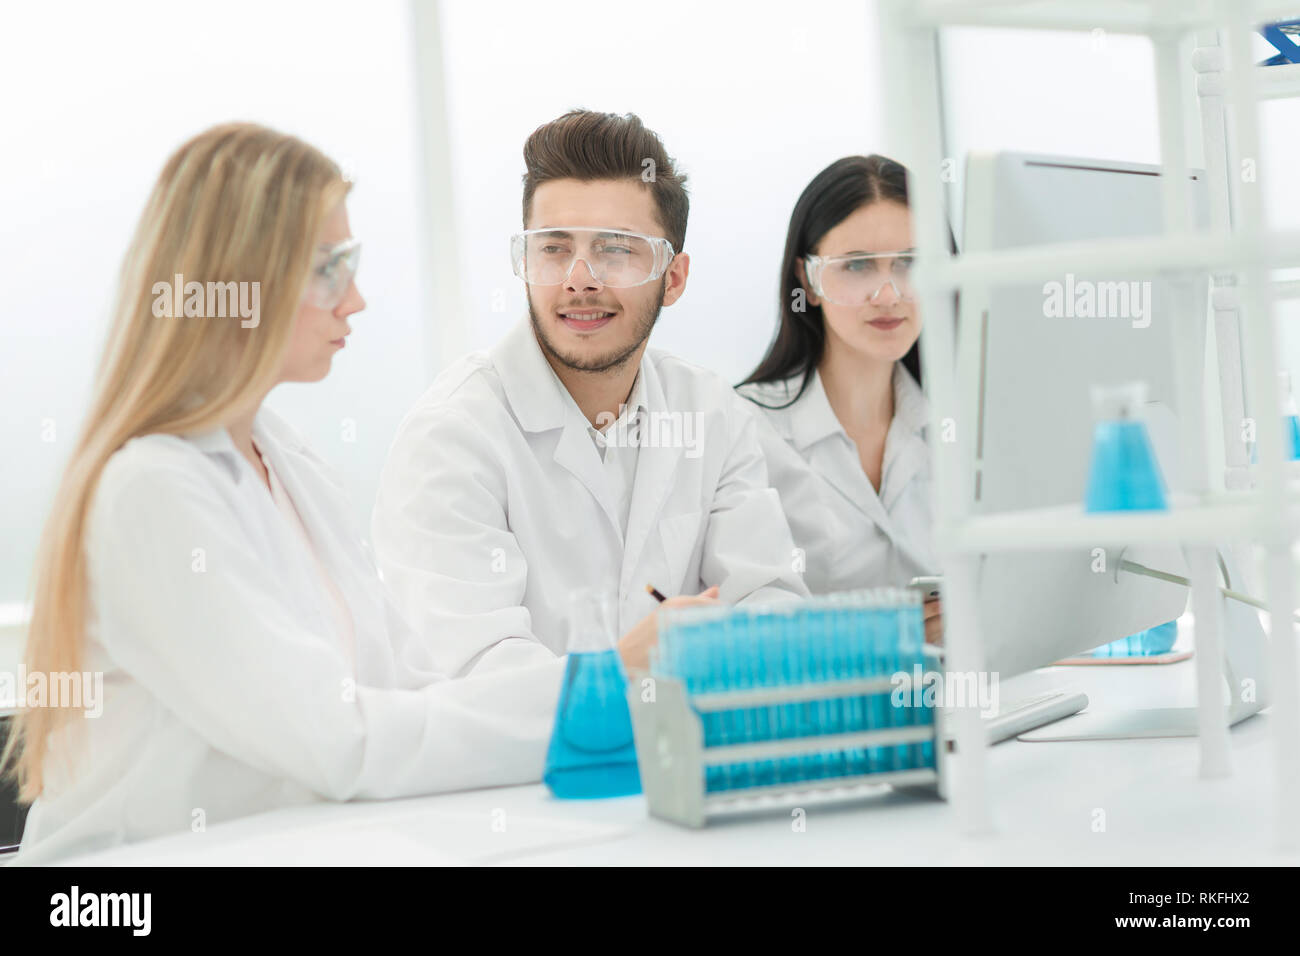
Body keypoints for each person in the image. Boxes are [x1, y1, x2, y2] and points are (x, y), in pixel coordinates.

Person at [4, 124, 572, 864]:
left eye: (351, 264)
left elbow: (403, 685)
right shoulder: (149, 492)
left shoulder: (286, 459)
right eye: (328, 268)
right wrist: (595, 700)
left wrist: (596, 687)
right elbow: (344, 743)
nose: (357, 300)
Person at [372, 109, 808, 678]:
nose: (579, 279)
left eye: (616, 249)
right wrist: (631, 667)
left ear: (672, 278)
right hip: (519, 771)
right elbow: (481, 682)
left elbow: (771, 614)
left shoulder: (709, 413)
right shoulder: (453, 436)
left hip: (681, 756)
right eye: (553, 248)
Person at [736, 155, 942, 643]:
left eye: (911, 263)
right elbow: (743, 620)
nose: (889, 294)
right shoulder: (746, 429)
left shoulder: (961, 425)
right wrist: (885, 633)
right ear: (808, 279)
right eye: (857, 266)